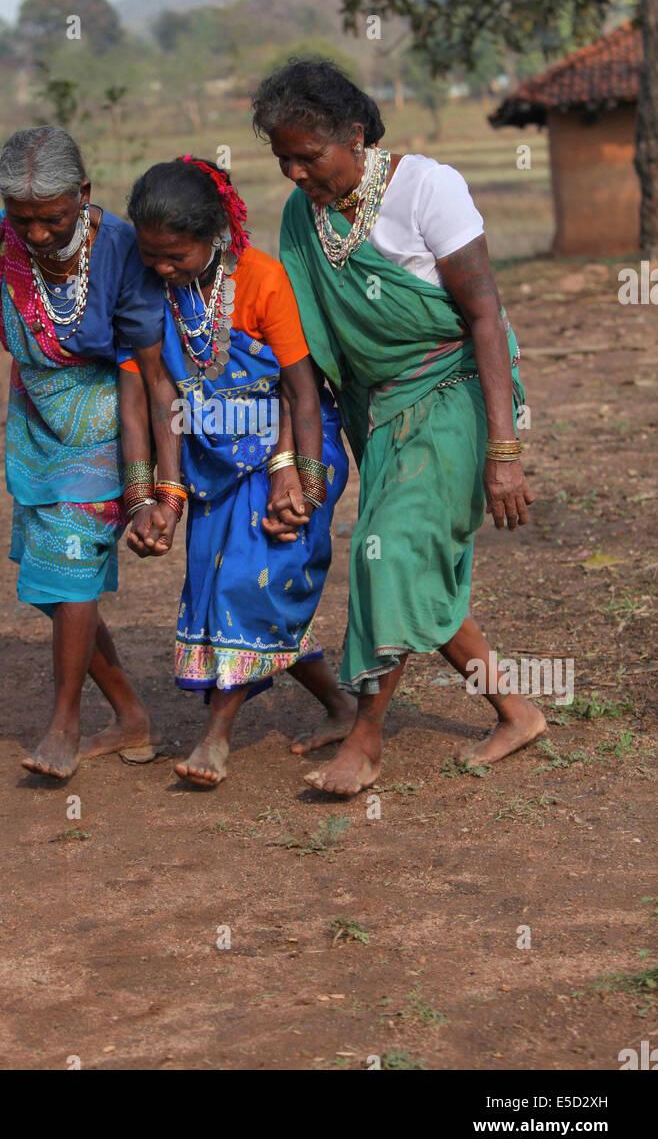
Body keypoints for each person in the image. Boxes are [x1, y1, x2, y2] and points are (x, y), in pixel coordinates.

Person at [251, 58, 545, 796]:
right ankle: (516, 710)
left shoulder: (427, 188)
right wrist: (292, 459)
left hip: (457, 392)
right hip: (376, 409)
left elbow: (483, 315)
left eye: (307, 155)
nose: (294, 172)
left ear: (354, 134)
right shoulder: (302, 218)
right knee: (409, 560)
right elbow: (304, 355)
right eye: (282, 157)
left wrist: (504, 452)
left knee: (388, 555)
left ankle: (366, 739)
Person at [0, 125, 175, 779]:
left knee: (69, 569)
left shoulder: (121, 248)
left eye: (53, 218)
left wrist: (151, 486)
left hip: (110, 424)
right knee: (56, 588)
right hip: (33, 425)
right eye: (22, 218)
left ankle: (64, 725)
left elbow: (147, 372)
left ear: (83, 194)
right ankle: (130, 716)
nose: (35, 234)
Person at [121, 156, 353, 787]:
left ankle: (216, 738)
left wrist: (289, 474)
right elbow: (156, 395)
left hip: (295, 445)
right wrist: (160, 497)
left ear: (216, 232)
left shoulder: (261, 279)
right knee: (229, 588)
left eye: (177, 256)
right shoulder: (146, 289)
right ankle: (340, 705)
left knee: (249, 587)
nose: (163, 268)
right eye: (152, 256)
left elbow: (299, 390)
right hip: (213, 459)